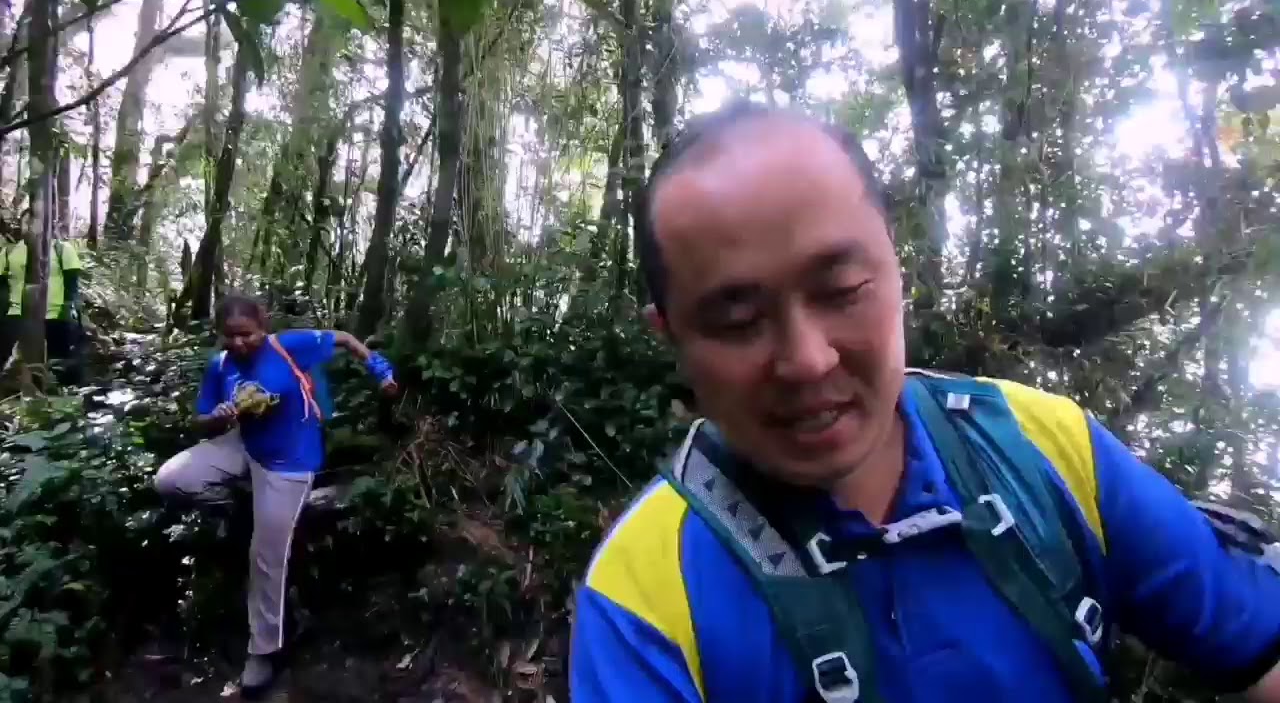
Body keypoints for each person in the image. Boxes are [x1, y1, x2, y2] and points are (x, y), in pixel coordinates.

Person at [569, 102, 1280, 703]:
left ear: (896, 265)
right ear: (672, 339)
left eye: (843, 291)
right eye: (736, 321)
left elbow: (1255, 647)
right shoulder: (646, 598)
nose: (808, 359)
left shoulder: (1042, 448)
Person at [153, 292, 398, 698]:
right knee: (170, 480)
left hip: (290, 459)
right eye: (230, 336)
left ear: (261, 328)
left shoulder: (288, 345)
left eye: (246, 335)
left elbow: (344, 339)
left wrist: (381, 371)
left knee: (265, 557)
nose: (238, 344)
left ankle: (263, 651)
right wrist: (216, 419)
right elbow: (201, 421)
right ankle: (242, 509)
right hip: (243, 444)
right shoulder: (221, 365)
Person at [0, 236, 84, 382]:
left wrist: (73, 310)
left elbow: (72, 283)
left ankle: (59, 394)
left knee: (58, 364)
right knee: (15, 363)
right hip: (16, 316)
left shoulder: (62, 249)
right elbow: (1, 285)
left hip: (55, 316)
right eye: (27, 220)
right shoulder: (9, 251)